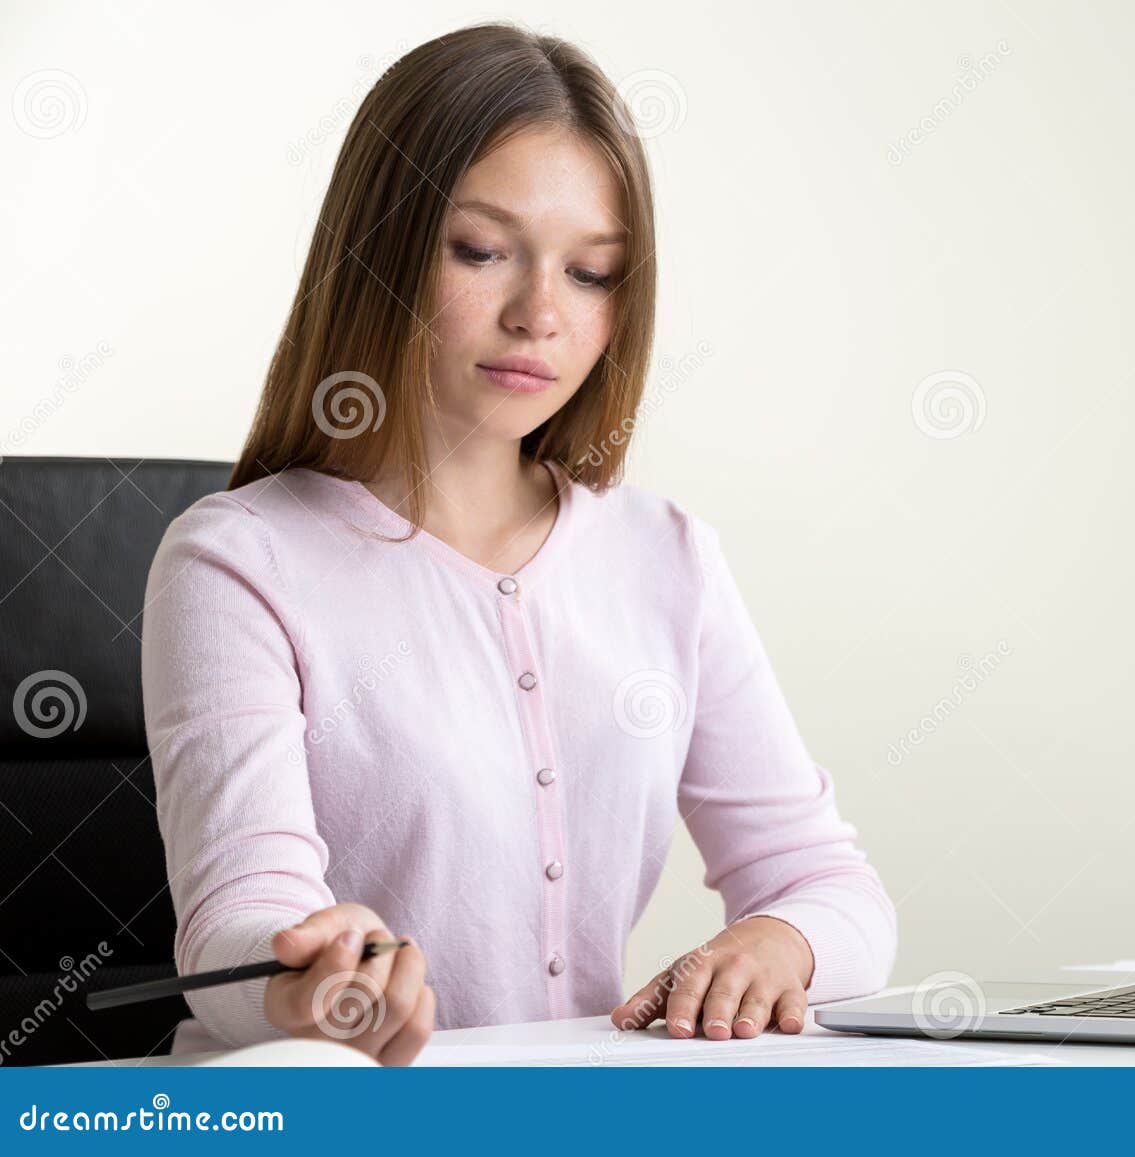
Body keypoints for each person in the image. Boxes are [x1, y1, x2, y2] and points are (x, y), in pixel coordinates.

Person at [141, 21, 895, 1066]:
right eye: (482, 251)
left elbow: (831, 885)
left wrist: (784, 939)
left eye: (592, 272)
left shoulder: (666, 555)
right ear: (382, 251)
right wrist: (310, 978)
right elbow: (235, 925)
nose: (541, 313)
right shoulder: (239, 561)